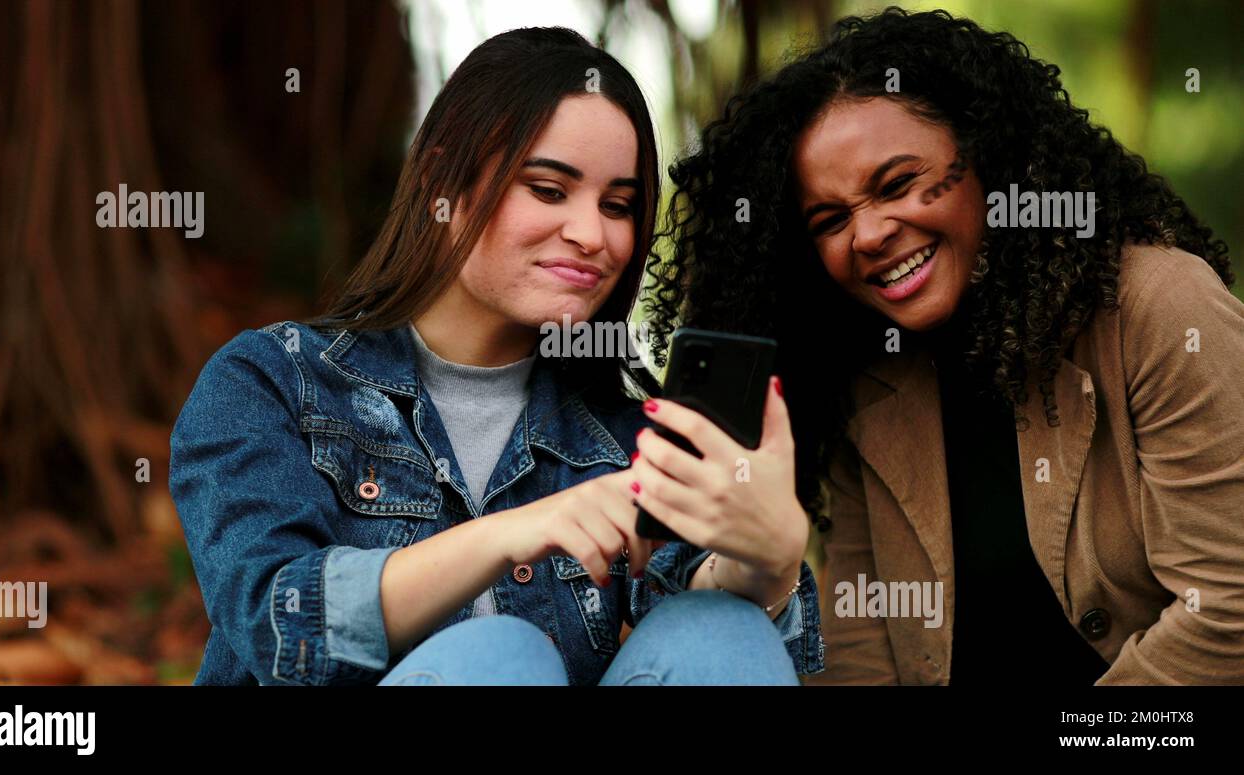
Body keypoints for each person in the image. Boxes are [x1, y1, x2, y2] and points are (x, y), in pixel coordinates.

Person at [169, 26, 823, 686]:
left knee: (723, 627)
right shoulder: (272, 380)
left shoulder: (622, 439)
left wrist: (764, 558)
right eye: (547, 188)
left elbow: (690, 606)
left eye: (618, 205)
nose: (592, 235)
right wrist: (512, 532)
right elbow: (278, 620)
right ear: (439, 184)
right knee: (501, 655)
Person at [643, 8, 1244, 684]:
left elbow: (1228, 613)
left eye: (897, 184)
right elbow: (861, 657)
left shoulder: (1158, 306)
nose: (867, 234)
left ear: (991, 157)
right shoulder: (867, 384)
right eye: (831, 219)